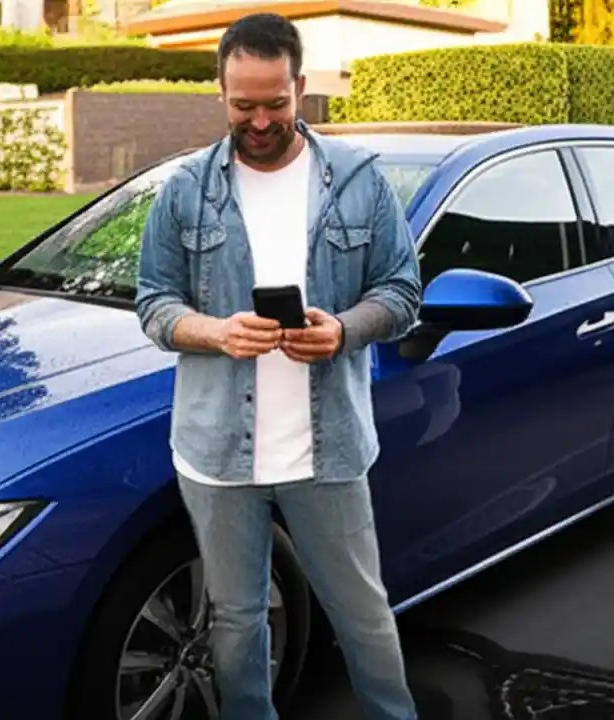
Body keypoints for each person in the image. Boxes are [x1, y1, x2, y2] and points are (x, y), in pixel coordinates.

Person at [134, 11, 421, 720]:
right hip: (216, 457)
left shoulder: (358, 182)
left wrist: (346, 330)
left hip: (328, 454)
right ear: (220, 92)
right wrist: (215, 332)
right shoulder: (183, 191)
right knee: (235, 622)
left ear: (299, 86)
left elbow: (402, 291)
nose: (259, 121)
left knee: (363, 616)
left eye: (275, 104)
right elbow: (153, 303)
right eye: (243, 105)